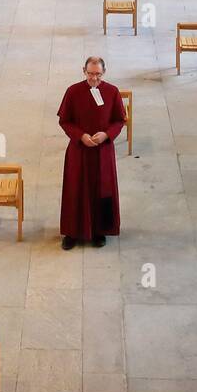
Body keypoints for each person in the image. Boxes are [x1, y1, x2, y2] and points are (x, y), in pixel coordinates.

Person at [57, 56, 125, 248]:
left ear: (104, 72)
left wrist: (106, 134)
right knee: (75, 189)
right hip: (79, 151)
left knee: (102, 190)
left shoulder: (112, 92)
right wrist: (80, 136)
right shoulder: (73, 91)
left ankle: (99, 230)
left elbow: (119, 120)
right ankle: (72, 232)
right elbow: (65, 120)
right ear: (83, 71)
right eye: (90, 74)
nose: (94, 78)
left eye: (98, 74)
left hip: (103, 152)